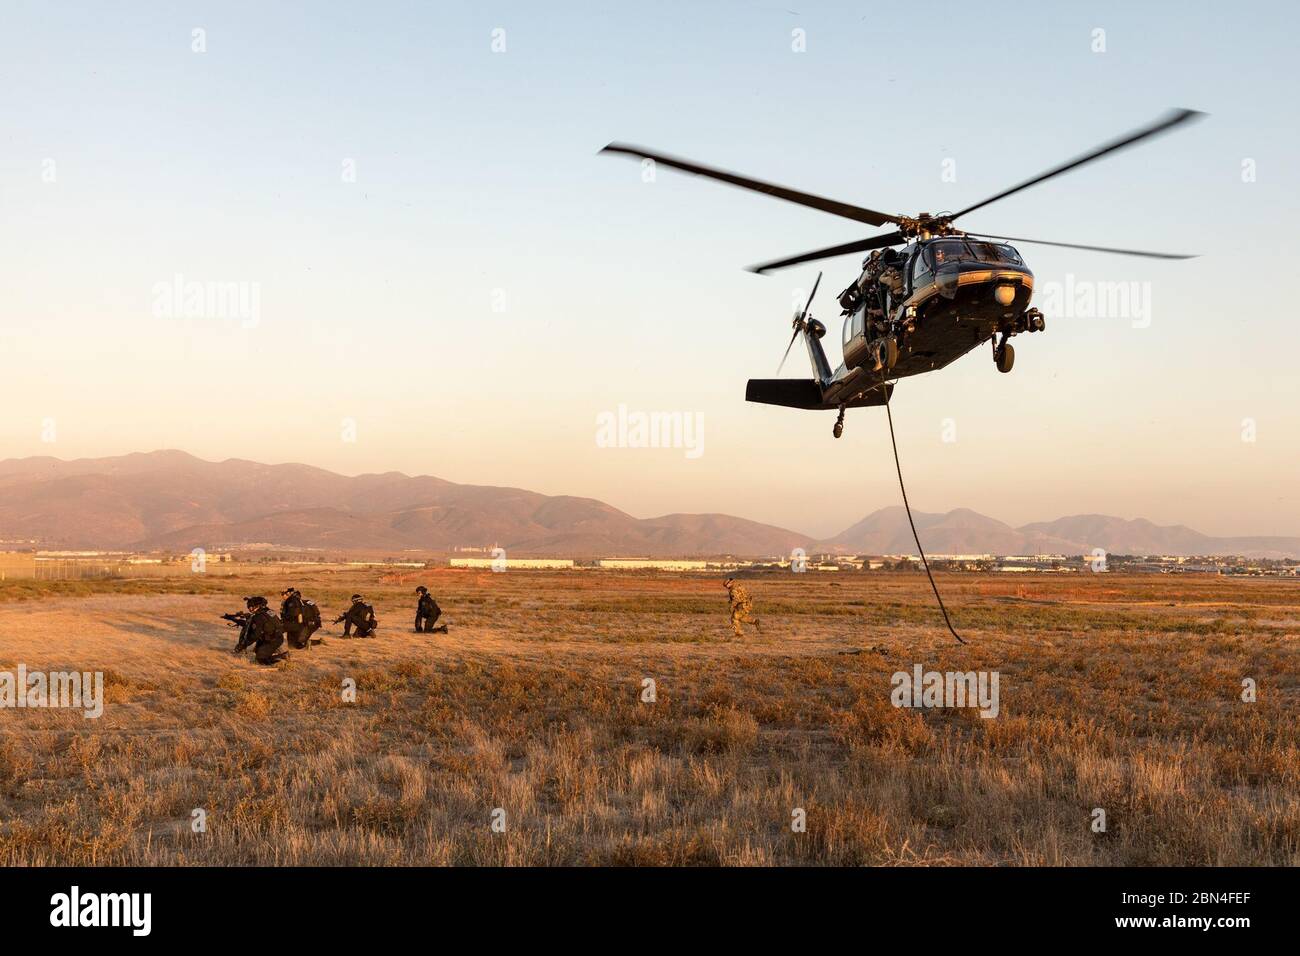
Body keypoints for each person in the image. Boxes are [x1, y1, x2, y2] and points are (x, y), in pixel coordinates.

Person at [234, 596, 289, 665]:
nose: (249, 609)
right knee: (258, 651)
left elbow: (255, 635)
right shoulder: (269, 611)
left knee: (260, 659)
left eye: (251, 606)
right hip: (276, 637)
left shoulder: (258, 617)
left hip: (273, 640)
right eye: (249, 607)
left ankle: (283, 656)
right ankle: (273, 651)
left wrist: (243, 645)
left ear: (257, 606)